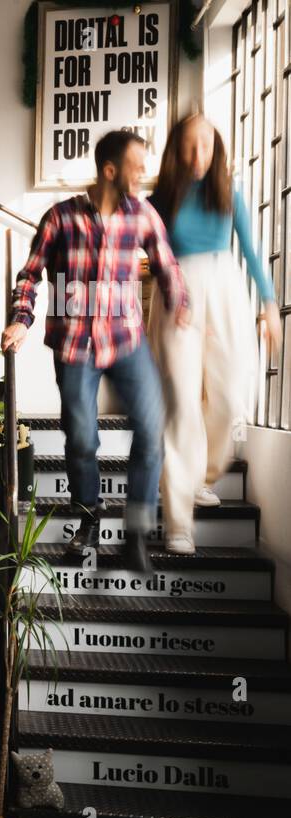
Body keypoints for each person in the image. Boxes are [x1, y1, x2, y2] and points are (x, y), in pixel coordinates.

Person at [3, 129, 189, 573]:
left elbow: (167, 264)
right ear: (110, 170)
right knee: (82, 438)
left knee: (150, 428)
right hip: (74, 346)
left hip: (127, 342)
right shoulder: (60, 219)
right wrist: (20, 319)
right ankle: (88, 519)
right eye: (136, 165)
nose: (144, 173)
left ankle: (137, 533)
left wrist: (180, 302)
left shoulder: (142, 216)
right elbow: (29, 275)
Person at [147, 113, 284, 554]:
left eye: (206, 144)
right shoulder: (162, 199)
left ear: (217, 147)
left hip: (225, 291)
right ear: (176, 150)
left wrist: (268, 305)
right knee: (182, 404)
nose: (197, 155)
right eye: (189, 145)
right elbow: (145, 256)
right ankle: (178, 520)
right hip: (176, 297)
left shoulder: (229, 194)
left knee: (227, 400)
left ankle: (203, 473)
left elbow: (252, 250)